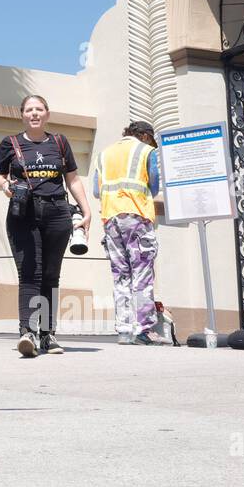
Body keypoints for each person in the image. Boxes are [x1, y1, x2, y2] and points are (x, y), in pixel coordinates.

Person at [0, 95, 93, 357]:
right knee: (29, 273)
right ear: (22, 115)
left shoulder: (59, 142)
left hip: (57, 212)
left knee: (50, 274)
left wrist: (86, 209)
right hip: (23, 213)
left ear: (47, 113)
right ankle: (28, 332)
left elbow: (72, 178)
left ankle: (48, 335)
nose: (34, 114)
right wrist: (5, 186)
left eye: (39, 109)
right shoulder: (10, 144)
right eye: (29, 110)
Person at [93, 120, 163, 345]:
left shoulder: (104, 154)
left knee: (120, 275)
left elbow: (96, 190)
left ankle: (124, 330)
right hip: (137, 217)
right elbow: (154, 187)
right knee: (142, 274)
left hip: (111, 219)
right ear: (144, 136)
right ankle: (143, 330)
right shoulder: (146, 151)